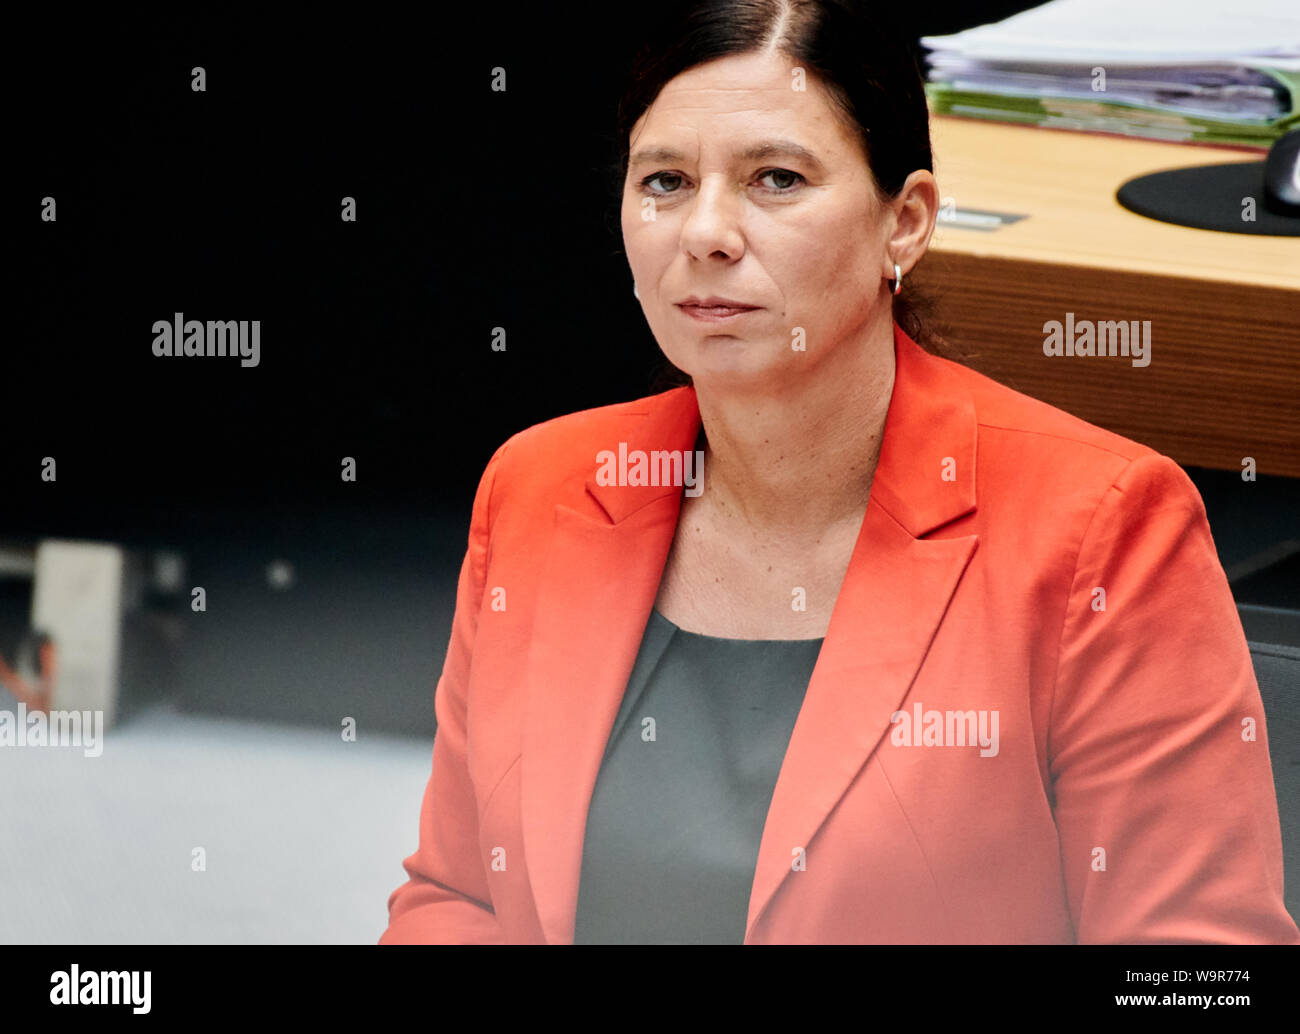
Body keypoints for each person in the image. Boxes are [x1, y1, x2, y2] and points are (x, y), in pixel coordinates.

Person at [379, 0, 1298, 944]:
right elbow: (462, 898)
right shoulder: (541, 488)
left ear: (905, 224)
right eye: (664, 181)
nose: (705, 232)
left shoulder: (1104, 529)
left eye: (775, 179)